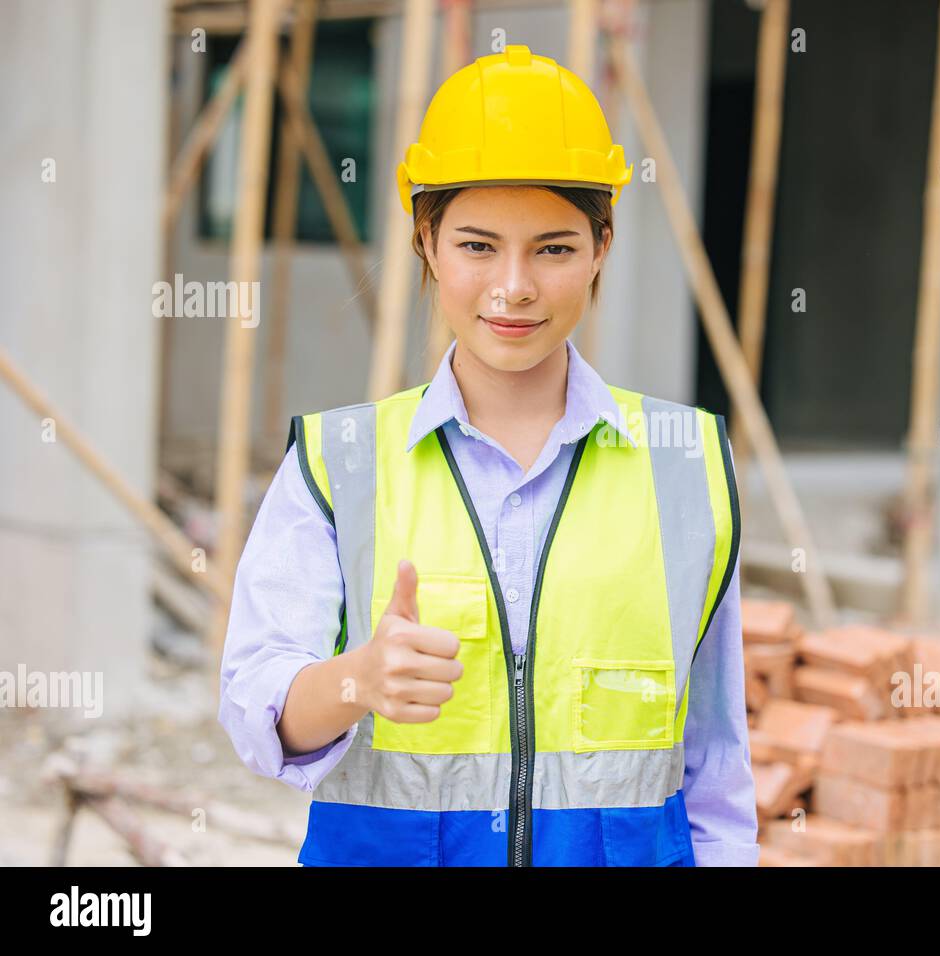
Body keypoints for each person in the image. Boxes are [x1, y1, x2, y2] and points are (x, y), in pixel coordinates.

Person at [218, 44, 758, 866]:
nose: (513, 287)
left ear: (602, 244)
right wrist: (358, 679)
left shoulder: (685, 465)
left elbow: (716, 767)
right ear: (426, 241)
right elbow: (256, 714)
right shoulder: (341, 463)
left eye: (553, 248)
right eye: (476, 246)